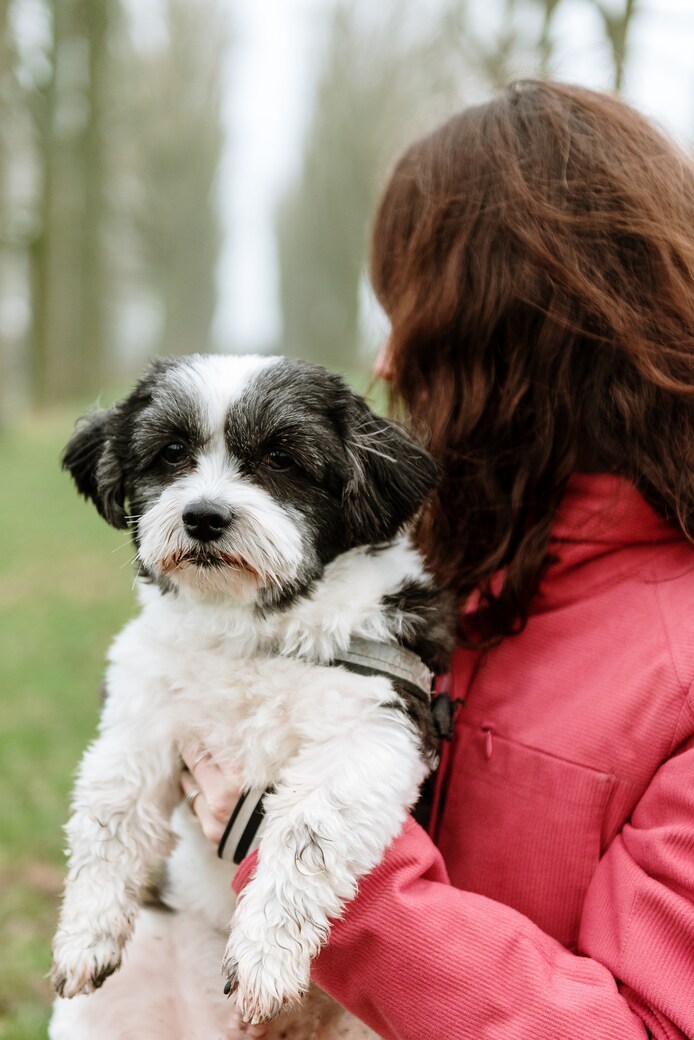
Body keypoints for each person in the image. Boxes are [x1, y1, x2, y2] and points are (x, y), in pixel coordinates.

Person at [182, 80, 694, 1039]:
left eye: (409, 312)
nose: (386, 362)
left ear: (501, 341)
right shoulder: (425, 566)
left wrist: (303, 865)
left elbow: (647, 1028)